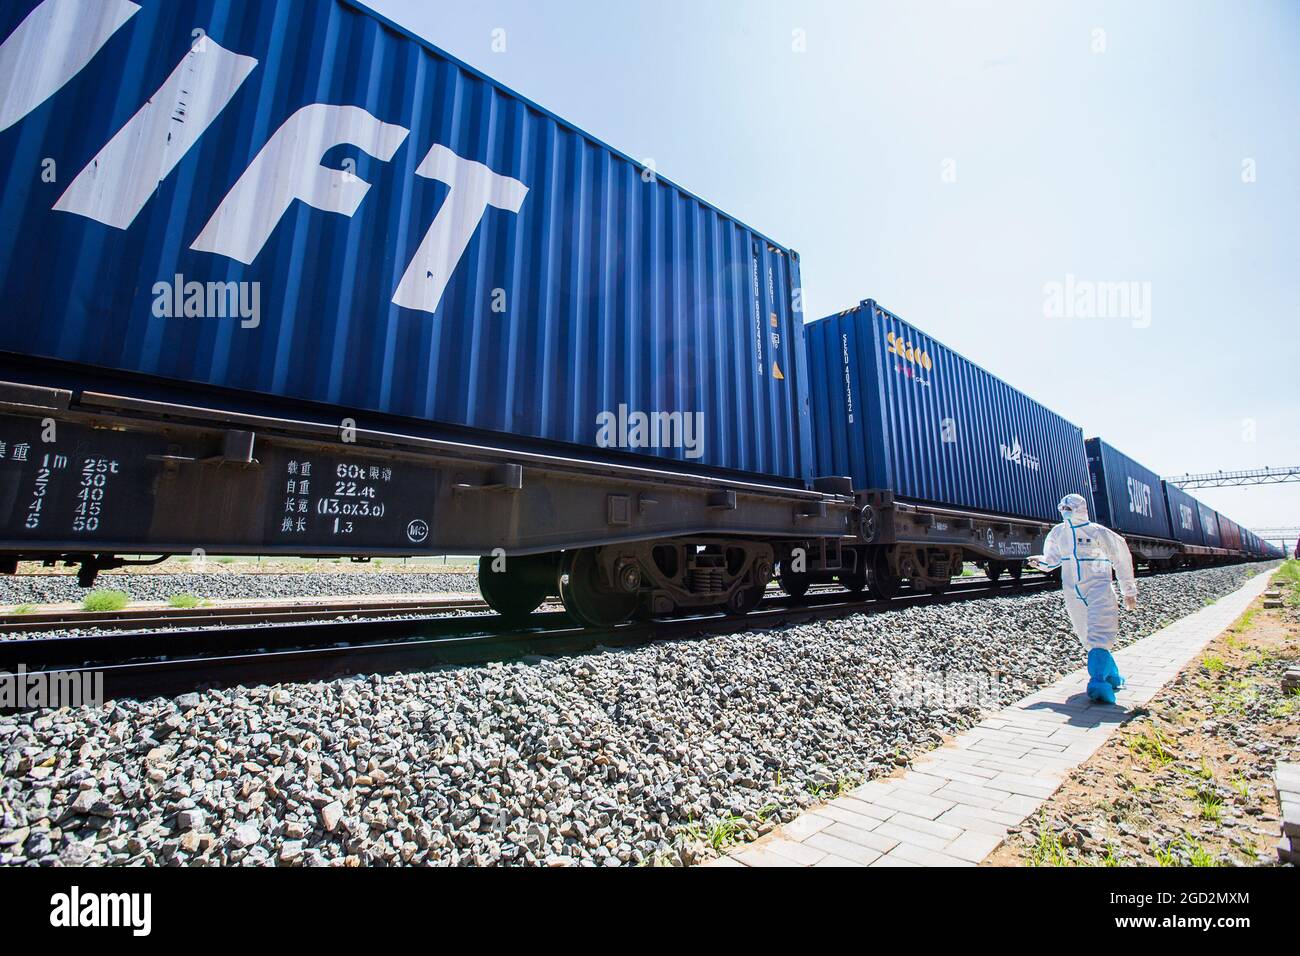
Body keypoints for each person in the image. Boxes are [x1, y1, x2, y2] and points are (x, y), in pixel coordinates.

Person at [1028, 493, 1138, 704]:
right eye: (1062, 509)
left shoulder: (1098, 532)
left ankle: (1098, 683)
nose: (1064, 513)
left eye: (1068, 509)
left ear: (1079, 509)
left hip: (1099, 587)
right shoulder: (1058, 533)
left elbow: (1121, 559)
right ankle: (1112, 675)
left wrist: (1129, 591)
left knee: (1100, 630)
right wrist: (1040, 562)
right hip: (1072, 589)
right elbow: (1052, 560)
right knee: (1086, 633)